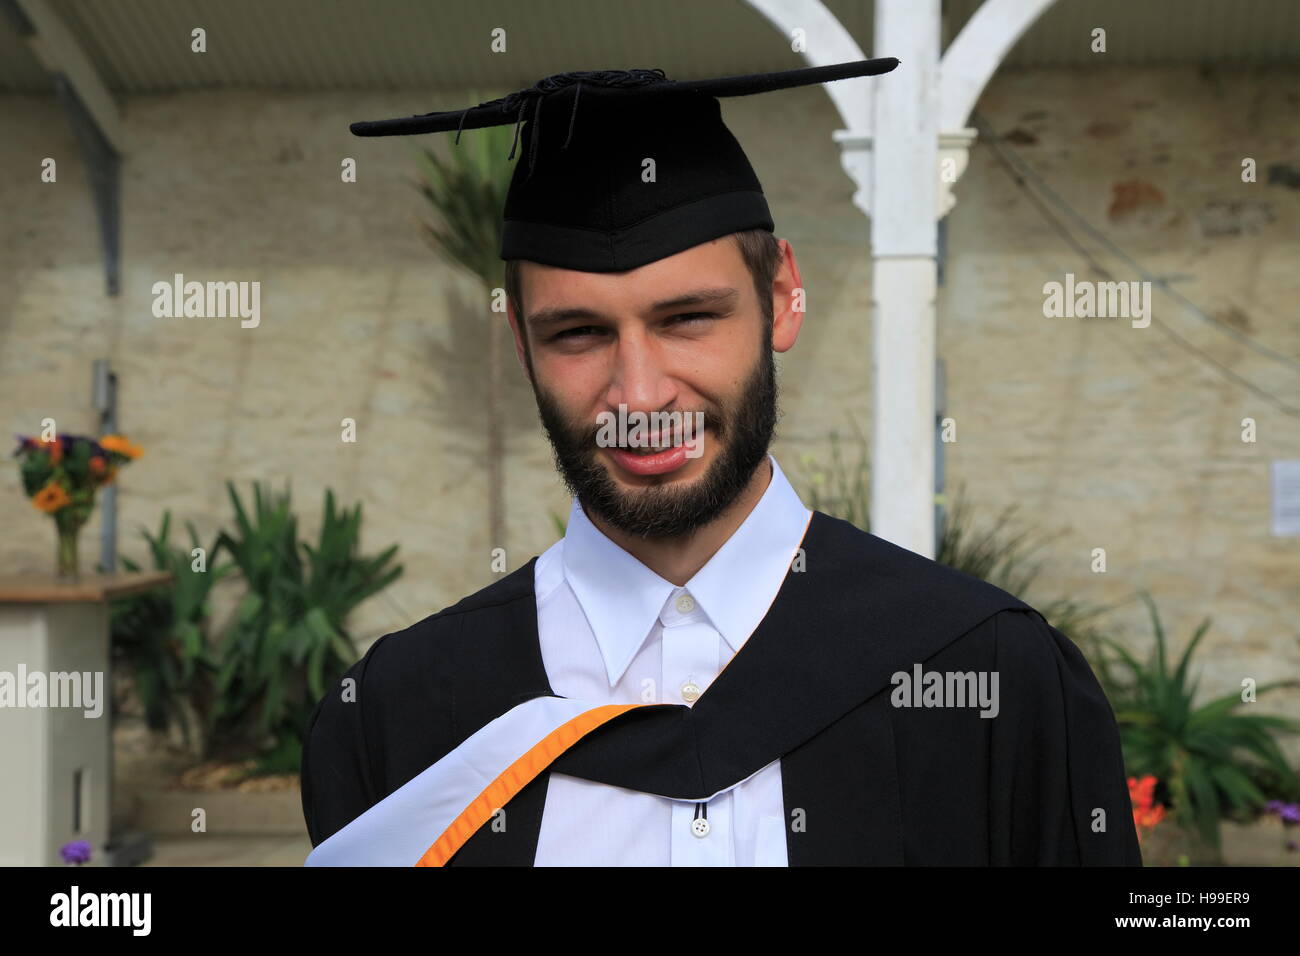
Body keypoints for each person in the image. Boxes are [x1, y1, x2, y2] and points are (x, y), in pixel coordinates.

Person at [301, 61, 1142, 866]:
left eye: (688, 318)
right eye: (580, 333)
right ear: (523, 343)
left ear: (780, 299)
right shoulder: (401, 717)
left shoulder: (986, 679)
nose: (638, 393)